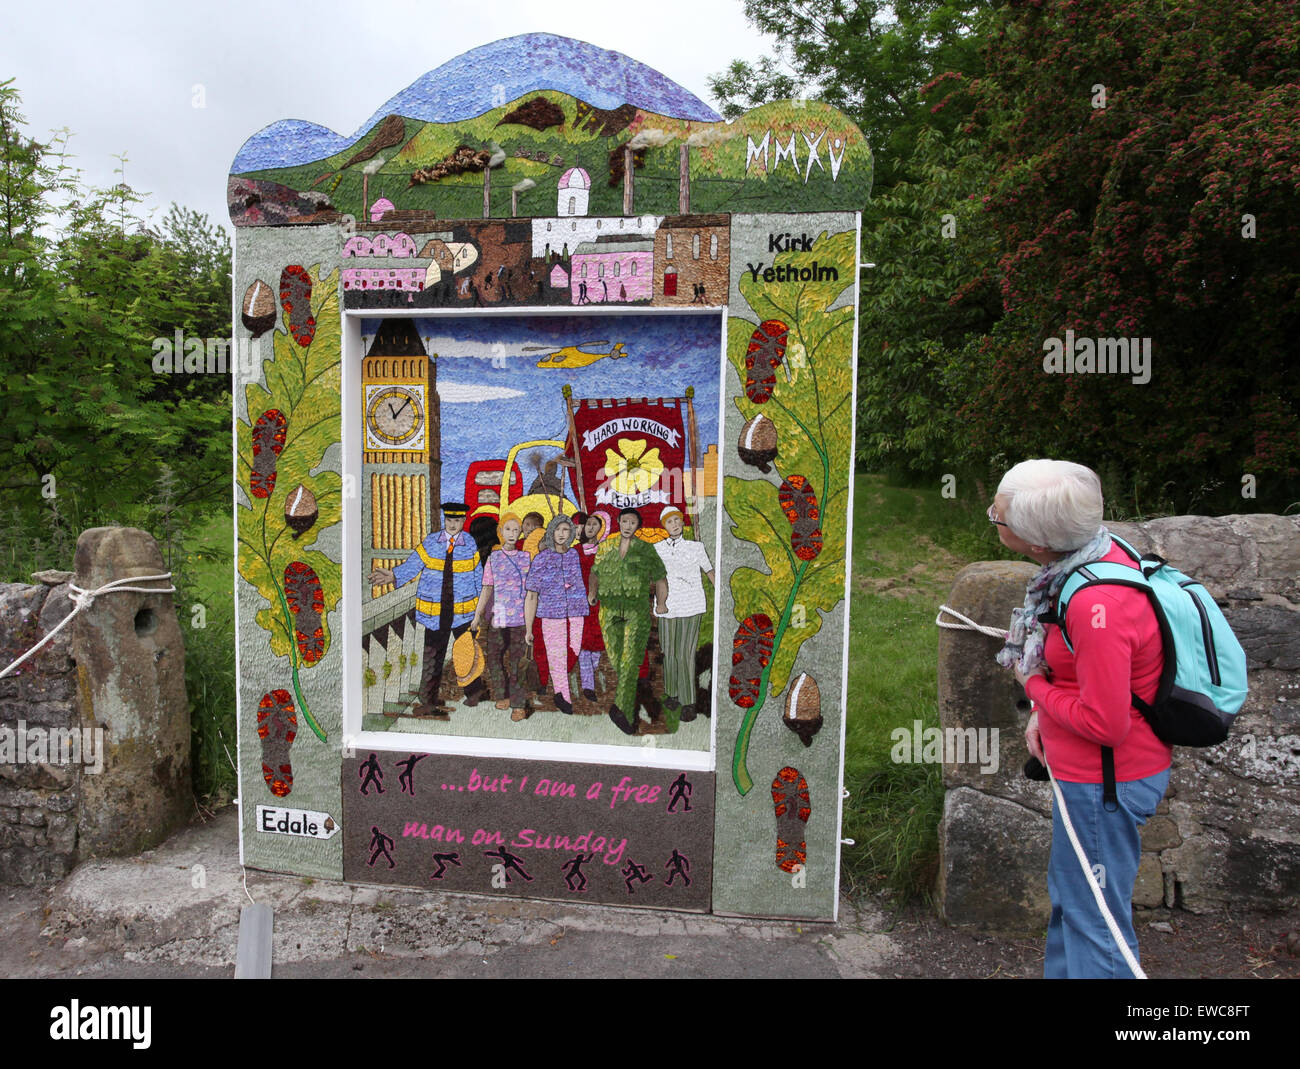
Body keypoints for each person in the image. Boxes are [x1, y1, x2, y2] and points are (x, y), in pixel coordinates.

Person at [992, 459, 1169, 979]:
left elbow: (1106, 723)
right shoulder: (1094, 555)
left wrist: (1033, 686)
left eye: (997, 517)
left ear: (1037, 542)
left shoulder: (1098, 607)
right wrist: (1042, 716)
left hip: (1104, 783)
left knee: (1096, 925)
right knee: (1074, 902)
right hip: (1090, 777)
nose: (993, 519)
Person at [369, 501, 486, 718]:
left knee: (466, 649)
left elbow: (477, 575)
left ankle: (474, 691)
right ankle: (428, 701)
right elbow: (414, 565)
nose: (453, 524)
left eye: (457, 520)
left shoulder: (469, 543)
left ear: (463, 521)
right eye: (449, 520)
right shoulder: (432, 542)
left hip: (463, 608)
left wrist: (481, 608)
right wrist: (394, 575)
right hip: (435, 609)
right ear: (445, 520)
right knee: (433, 654)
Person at [590, 508, 667, 736]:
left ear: (637, 526)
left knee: (630, 660)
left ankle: (621, 709)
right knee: (616, 658)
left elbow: (661, 577)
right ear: (619, 522)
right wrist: (592, 592)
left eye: (632, 522)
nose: (627, 525)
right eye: (624, 521)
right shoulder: (605, 548)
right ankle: (624, 706)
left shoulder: (645, 549)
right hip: (609, 608)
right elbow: (595, 573)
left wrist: (661, 603)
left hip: (636, 610)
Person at [653, 507, 714, 729]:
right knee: (669, 651)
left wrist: (721, 595)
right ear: (664, 526)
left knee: (685, 654)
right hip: (667, 606)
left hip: (691, 605)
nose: (675, 525)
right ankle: (672, 693)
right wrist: (660, 603)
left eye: (678, 520)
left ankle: (688, 702)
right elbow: (656, 576)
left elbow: (709, 572)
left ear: (683, 523)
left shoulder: (696, 547)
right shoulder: (657, 548)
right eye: (670, 522)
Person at [523, 515, 588, 715]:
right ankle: (563, 695)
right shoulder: (541, 559)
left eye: (566, 530)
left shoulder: (573, 556)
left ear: (571, 534)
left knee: (574, 651)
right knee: (556, 655)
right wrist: (528, 627)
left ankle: (559, 683)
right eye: (558, 529)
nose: (561, 534)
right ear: (551, 532)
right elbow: (532, 595)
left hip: (577, 611)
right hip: (551, 613)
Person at [470, 513, 532, 722]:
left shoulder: (525, 558)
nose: (512, 534)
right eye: (508, 529)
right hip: (499, 615)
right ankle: (502, 694)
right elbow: (487, 588)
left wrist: (531, 623)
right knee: (494, 658)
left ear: (521, 532)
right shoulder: (493, 559)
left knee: (517, 662)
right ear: (501, 532)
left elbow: (531, 593)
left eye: (516, 530)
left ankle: (518, 704)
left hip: (520, 617)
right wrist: (477, 615)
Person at [573, 511, 610, 701]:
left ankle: (591, 671)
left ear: (601, 529)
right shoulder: (575, 551)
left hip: (599, 601)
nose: (590, 527)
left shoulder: (605, 550)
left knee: (597, 641)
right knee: (582, 641)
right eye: (588, 524)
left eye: (595, 525)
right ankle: (588, 685)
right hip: (579, 601)